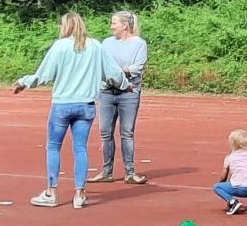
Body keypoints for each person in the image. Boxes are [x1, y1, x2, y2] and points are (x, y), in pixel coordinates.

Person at [13, 12, 129, 209]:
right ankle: (80, 193)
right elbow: (113, 72)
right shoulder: (95, 46)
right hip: (86, 105)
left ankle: (51, 191)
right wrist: (125, 85)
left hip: (63, 104)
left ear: (65, 26)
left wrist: (25, 82)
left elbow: (45, 73)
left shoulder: (60, 46)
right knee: (80, 148)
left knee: (53, 146)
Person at [90, 10, 149, 185]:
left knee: (127, 133)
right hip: (107, 92)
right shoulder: (107, 43)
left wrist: (116, 71)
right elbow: (100, 63)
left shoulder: (139, 43)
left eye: (114, 23)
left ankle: (130, 172)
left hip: (129, 93)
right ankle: (106, 171)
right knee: (105, 132)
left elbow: (138, 67)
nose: (111, 26)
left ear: (125, 25)